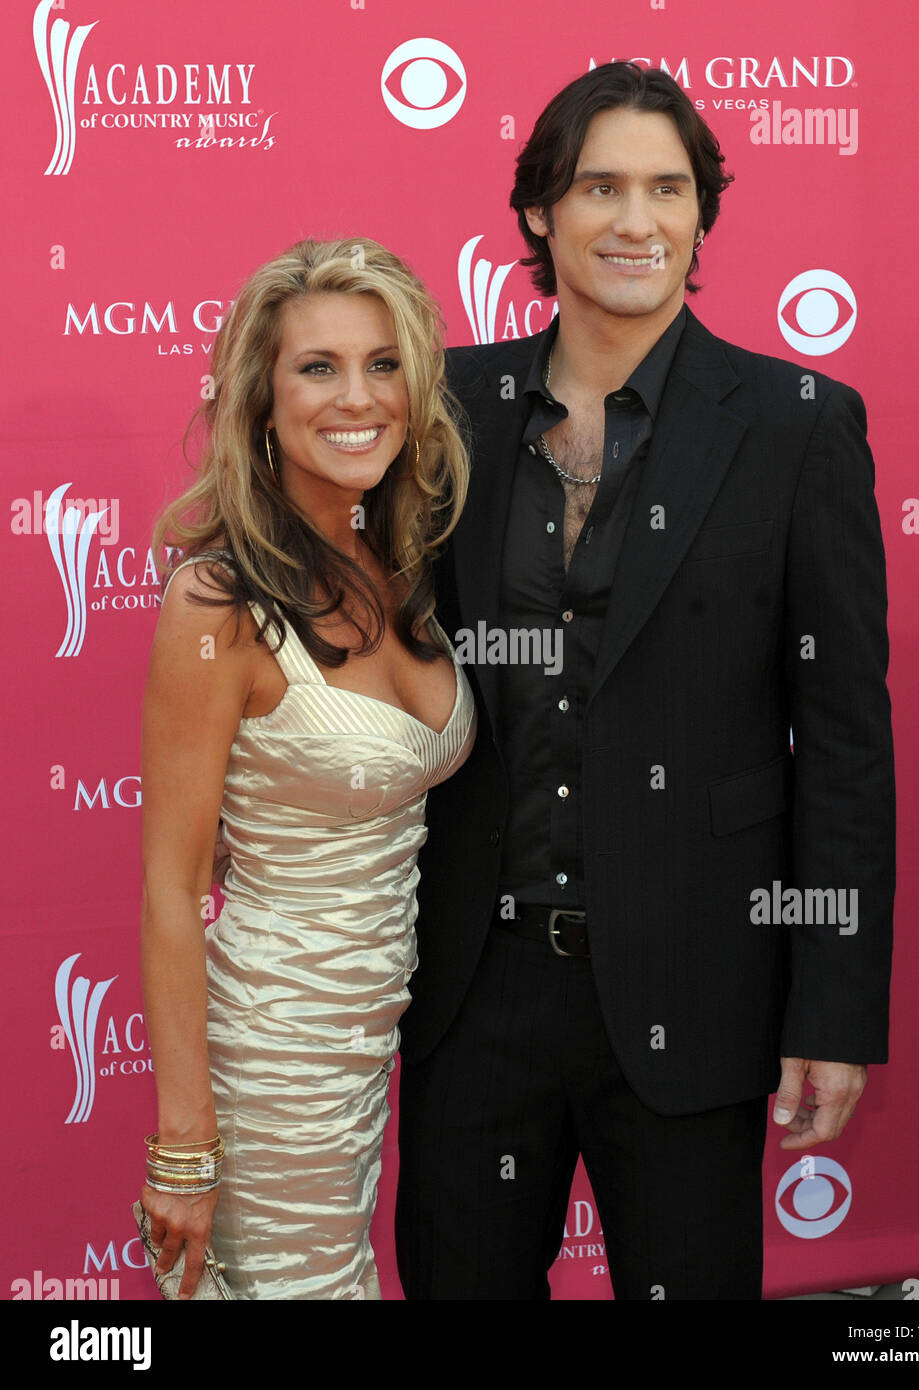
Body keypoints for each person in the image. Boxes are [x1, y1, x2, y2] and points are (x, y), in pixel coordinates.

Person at [395, 63, 894, 1300]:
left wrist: (831, 1006)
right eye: (600, 185)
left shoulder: (795, 423)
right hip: (475, 989)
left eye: (667, 188)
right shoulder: (448, 406)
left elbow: (842, 743)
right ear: (537, 215)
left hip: (698, 985)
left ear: (702, 214)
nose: (636, 219)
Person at [139, 236, 474, 1300]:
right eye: (317, 367)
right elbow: (170, 887)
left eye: (383, 364)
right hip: (273, 1057)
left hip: (375, 1040)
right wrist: (185, 1150)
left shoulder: (404, 562)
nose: (356, 396)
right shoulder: (217, 603)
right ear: (262, 400)